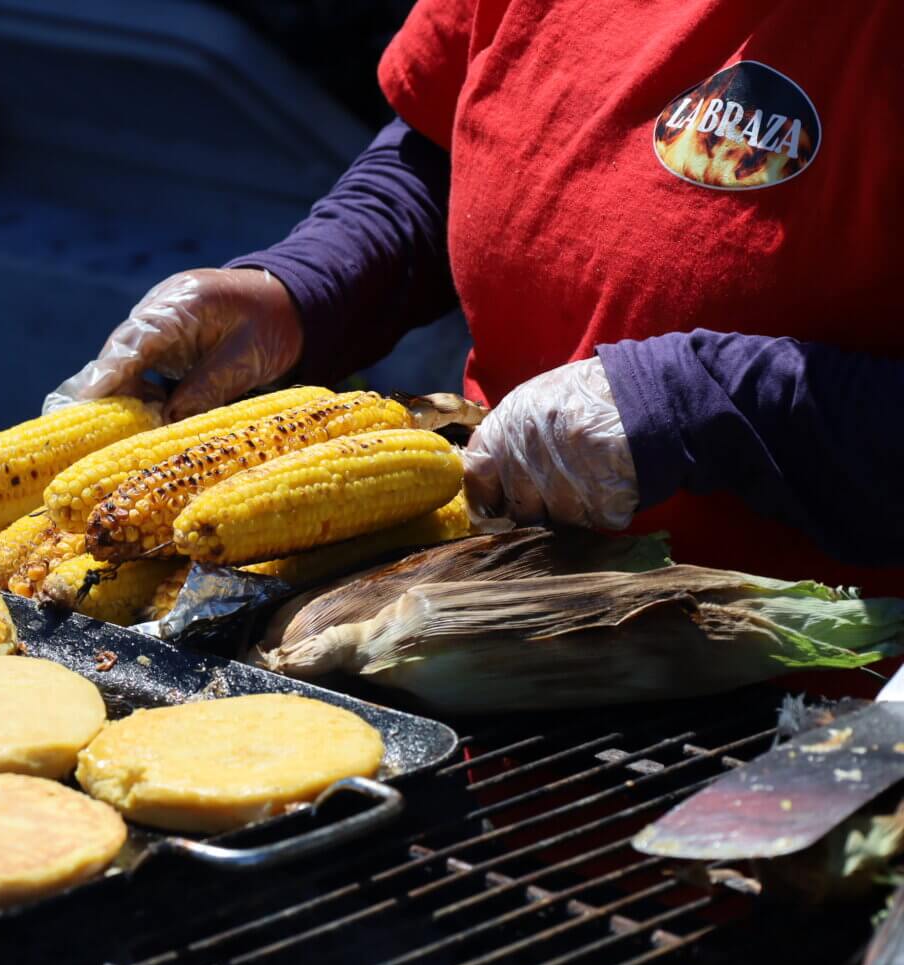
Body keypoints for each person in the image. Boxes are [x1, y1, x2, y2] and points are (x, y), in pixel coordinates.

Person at [45, 0, 904, 594]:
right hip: (482, 605)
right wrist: (299, 288)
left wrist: (699, 404)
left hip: (792, 716)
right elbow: (445, 147)